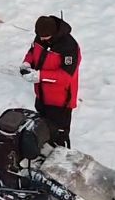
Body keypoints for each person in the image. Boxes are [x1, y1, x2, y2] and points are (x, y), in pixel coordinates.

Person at [20, 14, 79, 148]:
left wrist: (40, 76)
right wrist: (27, 63)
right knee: (42, 132)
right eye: (39, 36)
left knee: (58, 137)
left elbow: (66, 77)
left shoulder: (69, 47)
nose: (41, 39)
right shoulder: (41, 37)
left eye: (44, 37)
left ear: (53, 33)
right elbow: (33, 51)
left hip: (60, 102)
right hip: (42, 97)